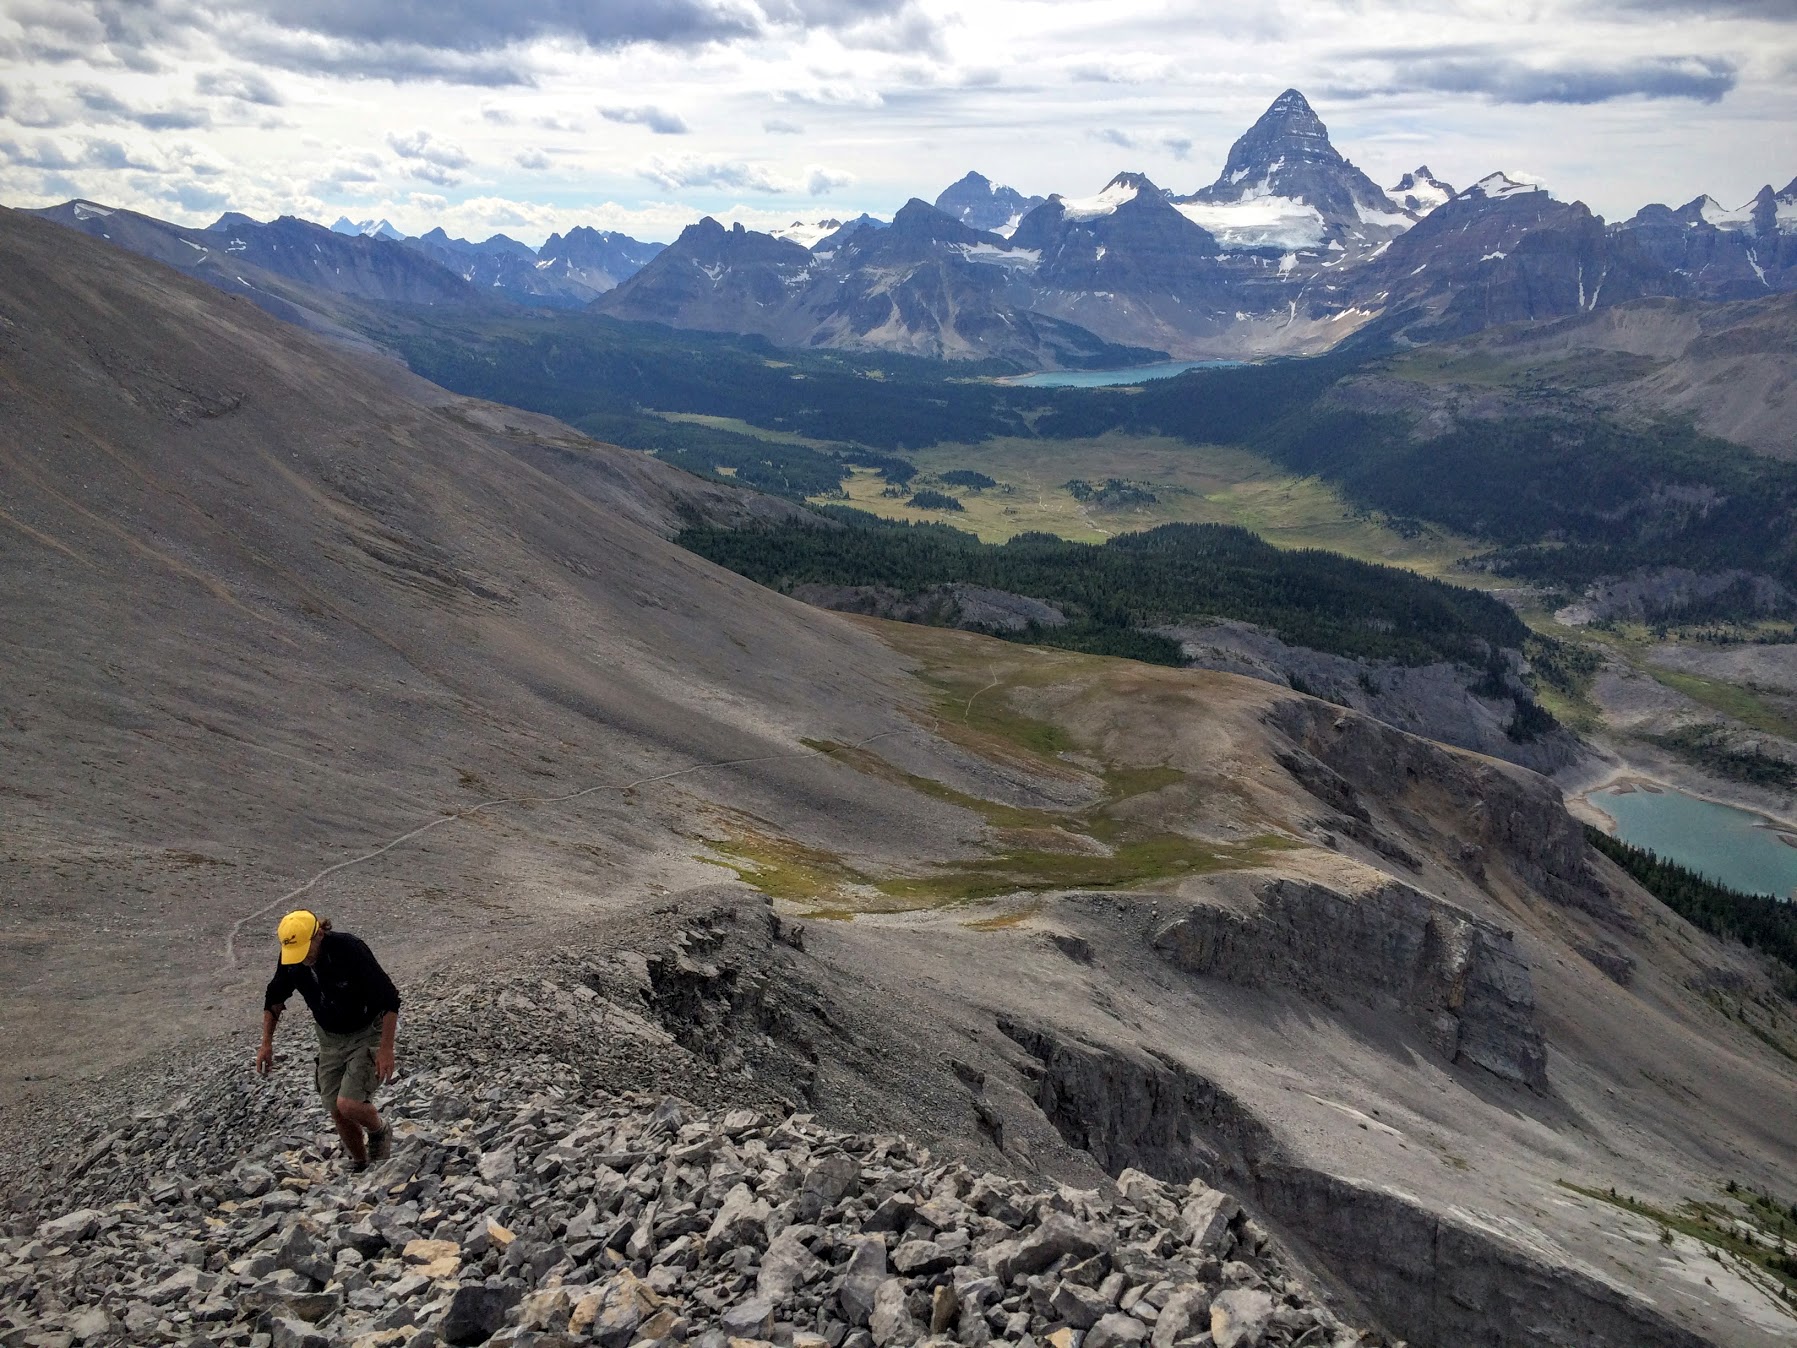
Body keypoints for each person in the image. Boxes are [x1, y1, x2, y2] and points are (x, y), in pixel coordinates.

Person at [256, 909, 402, 1171]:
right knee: (336, 1108)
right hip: (330, 1038)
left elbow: (389, 998)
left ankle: (380, 1131)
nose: (302, 959)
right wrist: (266, 1044)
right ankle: (360, 1164)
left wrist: (386, 1049)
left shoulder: (350, 949)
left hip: (367, 1029)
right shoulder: (291, 958)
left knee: (350, 1103)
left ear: (319, 935)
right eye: (294, 953)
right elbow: (274, 998)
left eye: (305, 950)